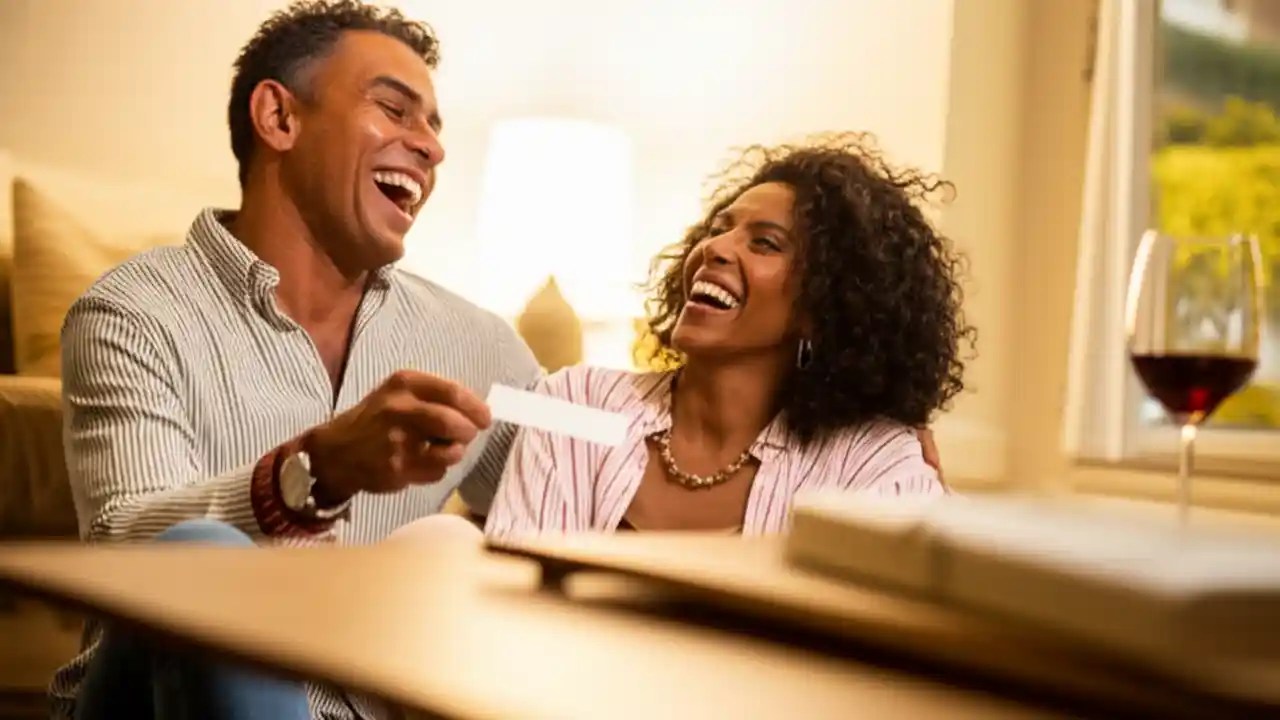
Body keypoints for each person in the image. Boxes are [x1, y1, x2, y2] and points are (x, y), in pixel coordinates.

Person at [51, 2, 542, 719]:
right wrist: (308, 475)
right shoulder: (134, 312)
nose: (430, 148)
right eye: (396, 111)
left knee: (445, 544)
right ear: (279, 118)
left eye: (435, 128)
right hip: (156, 700)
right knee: (203, 556)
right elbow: (126, 549)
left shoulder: (478, 345)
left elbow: (593, 475)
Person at [484, 133, 974, 536]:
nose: (715, 247)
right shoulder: (578, 406)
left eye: (765, 243)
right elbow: (521, 599)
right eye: (719, 229)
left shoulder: (869, 463)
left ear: (825, 306)